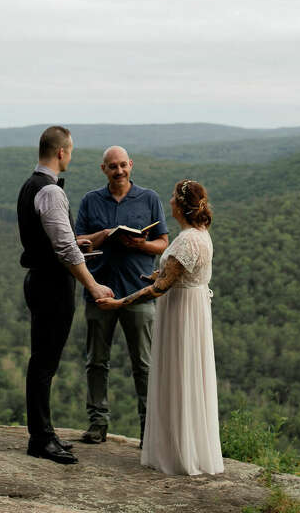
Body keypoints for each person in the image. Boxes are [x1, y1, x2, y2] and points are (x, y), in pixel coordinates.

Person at [96, 179, 223, 476]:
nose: (169, 202)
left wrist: (119, 303)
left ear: (180, 205)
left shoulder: (188, 240)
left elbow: (161, 289)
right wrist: (156, 276)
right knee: (188, 374)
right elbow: (173, 275)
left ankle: (177, 453)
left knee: (178, 373)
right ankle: (187, 446)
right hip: (191, 307)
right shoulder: (200, 235)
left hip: (182, 312)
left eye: (172, 199)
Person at [17, 125, 113, 464]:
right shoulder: (51, 191)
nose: (70, 157)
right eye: (70, 151)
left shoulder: (31, 184)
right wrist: (93, 285)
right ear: (61, 153)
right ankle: (41, 439)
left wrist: (80, 241)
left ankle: (44, 433)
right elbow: (65, 252)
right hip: (52, 286)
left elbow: (58, 241)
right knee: (44, 363)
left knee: (42, 360)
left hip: (39, 280)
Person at [73, 146, 169, 443]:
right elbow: (75, 241)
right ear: (104, 169)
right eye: (112, 166)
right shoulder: (90, 201)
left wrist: (140, 245)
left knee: (144, 365)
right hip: (100, 290)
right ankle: (97, 424)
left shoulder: (149, 198)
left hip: (139, 293)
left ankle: (148, 429)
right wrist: (103, 234)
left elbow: (164, 242)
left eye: (123, 165)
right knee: (96, 361)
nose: (119, 171)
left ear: (131, 165)